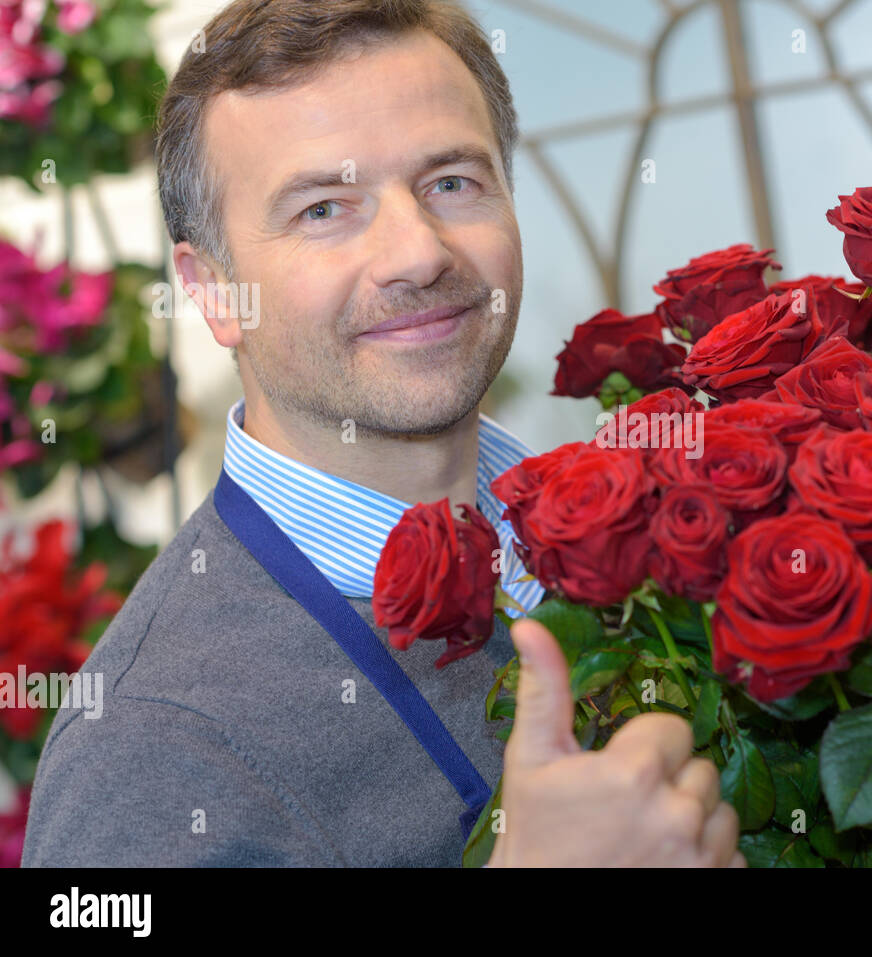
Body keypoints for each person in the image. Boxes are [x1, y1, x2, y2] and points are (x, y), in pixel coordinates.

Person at [21, 0, 742, 868]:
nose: (419, 252)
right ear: (211, 290)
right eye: (325, 208)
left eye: (450, 183)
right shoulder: (147, 749)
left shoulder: (652, 525)